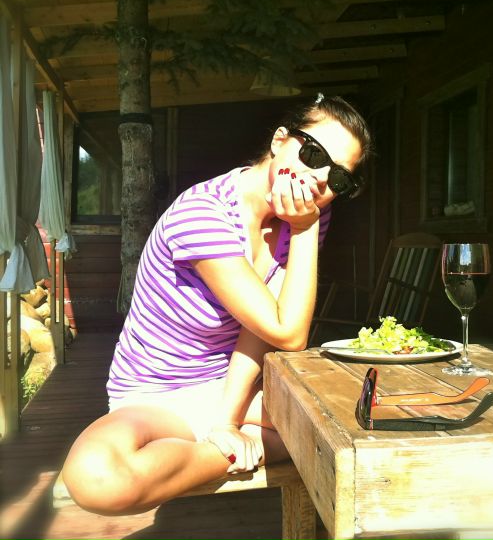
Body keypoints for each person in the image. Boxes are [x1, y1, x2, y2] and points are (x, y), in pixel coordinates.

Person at [62, 93, 372, 515]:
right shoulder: (203, 213)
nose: (320, 178)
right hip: (157, 393)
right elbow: (289, 333)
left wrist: (227, 417)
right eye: (314, 154)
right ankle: (230, 449)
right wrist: (224, 433)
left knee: (360, 416)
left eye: (339, 178)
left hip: (236, 389)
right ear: (280, 140)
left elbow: (263, 331)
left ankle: (214, 448)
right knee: (97, 479)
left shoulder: (305, 215)